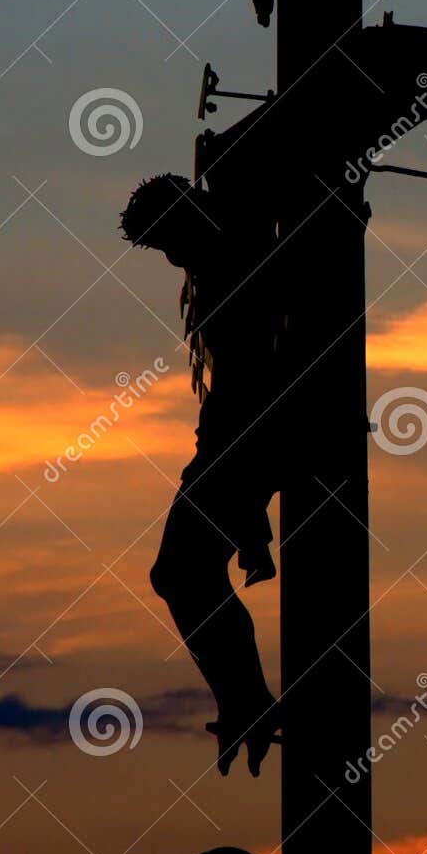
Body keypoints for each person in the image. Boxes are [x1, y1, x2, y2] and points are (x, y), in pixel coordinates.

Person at [121, 172, 281, 777]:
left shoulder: (232, 269)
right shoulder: (225, 262)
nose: (169, 258)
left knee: (181, 572)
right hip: (231, 448)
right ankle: (246, 698)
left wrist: (246, 521)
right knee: (183, 573)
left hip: (240, 446)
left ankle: (249, 698)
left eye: (167, 241)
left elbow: (247, 393)